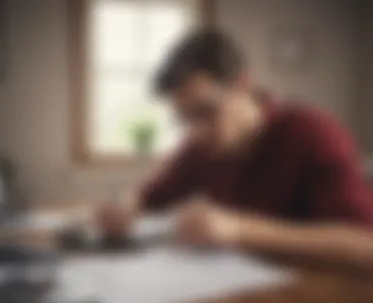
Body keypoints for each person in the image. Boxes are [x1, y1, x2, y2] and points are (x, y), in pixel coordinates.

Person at [96, 29, 373, 266]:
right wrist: (126, 207)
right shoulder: (200, 147)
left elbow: (364, 245)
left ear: (243, 84)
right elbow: (152, 195)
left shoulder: (314, 132)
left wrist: (238, 229)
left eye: (206, 111)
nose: (197, 132)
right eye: (184, 120)